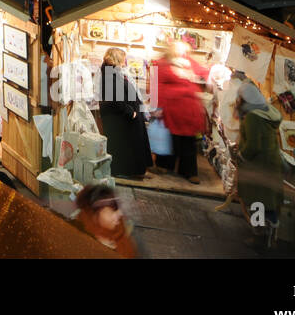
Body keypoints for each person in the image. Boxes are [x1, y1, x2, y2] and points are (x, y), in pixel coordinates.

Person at [152, 39, 210, 184]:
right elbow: (155, 85)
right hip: (171, 109)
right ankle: (164, 165)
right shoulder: (161, 63)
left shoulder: (189, 62)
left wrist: (214, 72)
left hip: (189, 110)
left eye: (184, 51)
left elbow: (203, 71)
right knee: (170, 138)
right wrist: (156, 106)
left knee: (188, 141)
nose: (182, 53)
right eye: (178, 50)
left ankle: (189, 171)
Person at [235, 80, 284, 239]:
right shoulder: (265, 111)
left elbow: (253, 145)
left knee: (257, 200)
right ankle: (269, 235)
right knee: (266, 202)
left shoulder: (253, 116)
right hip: (269, 162)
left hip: (258, 165)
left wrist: (241, 156)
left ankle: (259, 237)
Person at [99, 47, 153, 179]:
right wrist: (130, 112)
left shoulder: (112, 72)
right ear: (117, 59)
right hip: (120, 118)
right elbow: (115, 100)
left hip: (122, 116)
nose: (125, 61)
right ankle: (124, 171)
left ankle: (130, 170)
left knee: (128, 144)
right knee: (124, 146)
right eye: (123, 58)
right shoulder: (110, 74)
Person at [73, 184, 138, 257]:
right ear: (96, 213)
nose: (120, 214)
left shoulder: (120, 233)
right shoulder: (78, 235)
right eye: (113, 209)